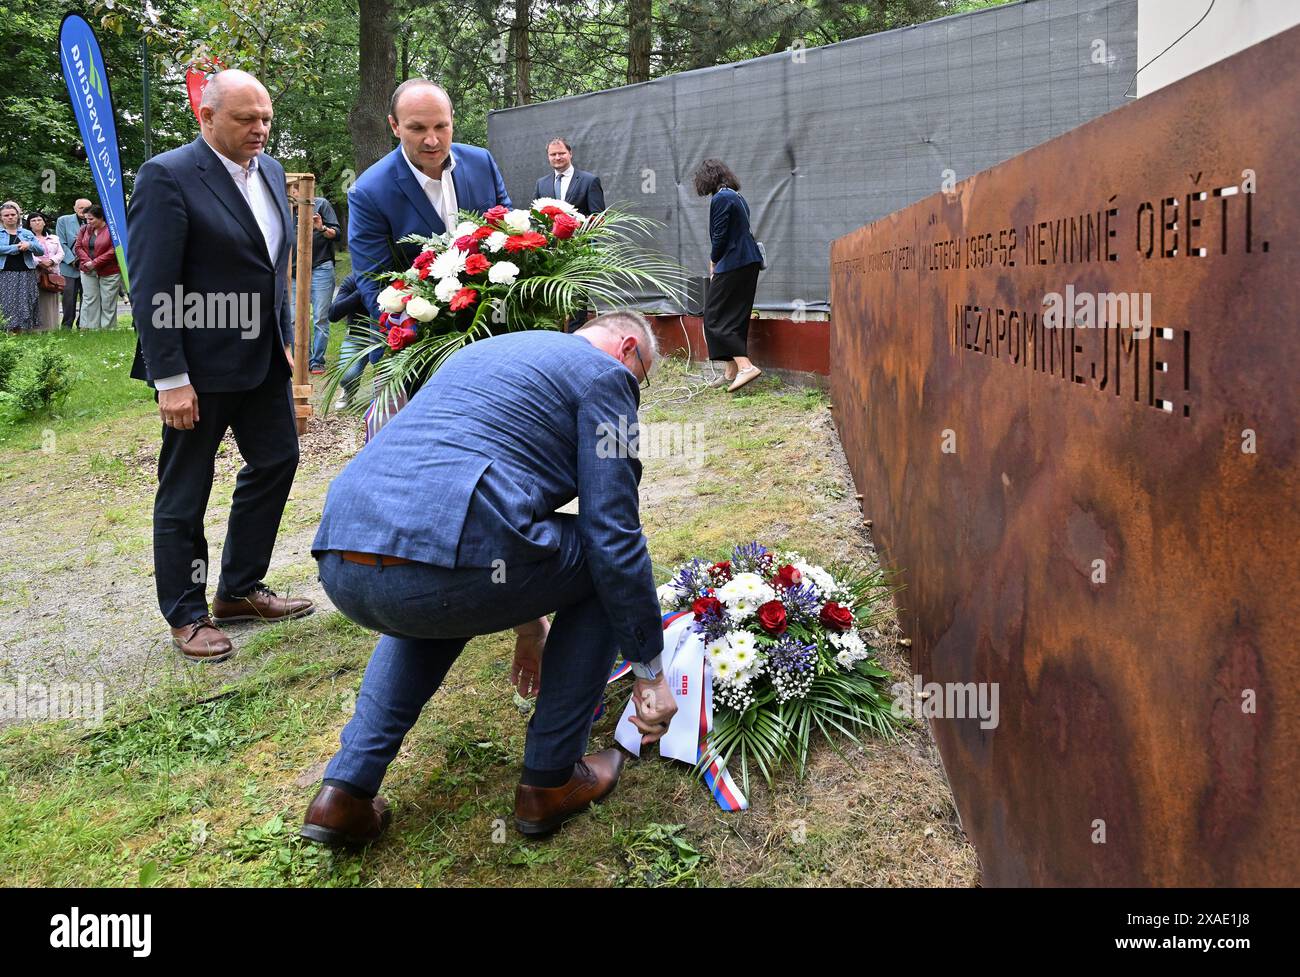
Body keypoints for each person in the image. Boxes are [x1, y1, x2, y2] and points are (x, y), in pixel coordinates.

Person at [301, 311, 677, 847]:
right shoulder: (605, 376)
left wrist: (529, 629)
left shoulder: (481, 354)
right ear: (626, 349)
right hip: (446, 561)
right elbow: (612, 535)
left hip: (344, 556)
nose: (633, 394)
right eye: (641, 382)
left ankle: (343, 794)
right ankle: (550, 780)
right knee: (600, 566)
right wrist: (649, 671)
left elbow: (459, 505)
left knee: (438, 574)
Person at [126, 68, 314, 664]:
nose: (260, 128)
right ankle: (186, 612)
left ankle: (237, 589)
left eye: (265, 118)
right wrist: (170, 379)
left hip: (261, 363)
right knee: (187, 487)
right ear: (205, 118)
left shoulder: (274, 172)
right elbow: (153, 285)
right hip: (198, 371)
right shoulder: (168, 176)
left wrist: (284, 341)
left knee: (278, 459)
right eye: (245, 119)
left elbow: (270, 270)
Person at [347, 78, 510, 322]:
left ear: (452, 119)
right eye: (418, 128)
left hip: (496, 322)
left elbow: (509, 236)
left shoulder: (482, 162)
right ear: (395, 126)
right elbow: (375, 285)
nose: (432, 140)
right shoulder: (368, 191)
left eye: (441, 126)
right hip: (422, 338)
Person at [694, 158, 763, 392]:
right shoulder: (736, 196)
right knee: (735, 316)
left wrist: (714, 260)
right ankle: (731, 371)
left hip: (733, 262)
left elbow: (720, 236)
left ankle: (745, 367)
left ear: (708, 177)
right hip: (748, 261)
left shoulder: (721, 198)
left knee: (714, 317)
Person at [535, 137, 606, 332]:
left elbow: (598, 218)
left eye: (561, 153)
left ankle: (575, 341)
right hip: (550, 254)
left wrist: (581, 236)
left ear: (570, 154)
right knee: (553, 300)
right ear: (548, 157)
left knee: (577, 303)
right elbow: (537, 217)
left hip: (578, 252)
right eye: (553, 154)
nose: (557, 157)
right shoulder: (541, 184)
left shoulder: (589, 181)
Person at [287, 193, 340, 375]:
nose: (293, 192)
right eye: (290, 188)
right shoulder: (284, 208)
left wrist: (321, 227)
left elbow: (336, 234)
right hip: (292, 272)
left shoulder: (320, 204)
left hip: (320, 268)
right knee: (294, 319)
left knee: (320, 317)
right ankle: (300, 359)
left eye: (296, 188)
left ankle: (317, 361)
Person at [328, 272, 382, 411]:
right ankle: (348, 390)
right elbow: (333, 314)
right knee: (347, 376)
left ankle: (384, 396)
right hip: (357, 336)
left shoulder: (393, 278)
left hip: (387, 338)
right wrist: (362, 291)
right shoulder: (353, 280)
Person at [73, 205, 122, 330]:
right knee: (89, 299)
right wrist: (88, 262)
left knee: (108, 301)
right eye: (86, 219)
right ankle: (89, 329)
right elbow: (78, 247)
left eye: (91, 219)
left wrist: (95, 262)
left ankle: (107, 330)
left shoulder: (112, 230)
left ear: (101, 218)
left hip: (109, 271)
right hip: (87, 270)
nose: (88, 222)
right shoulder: (84, 229)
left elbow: (114, 250)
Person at [0, 200, 43, 333]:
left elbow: (40, 250)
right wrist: (17, 247)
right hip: (6, 273)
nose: (10, 217)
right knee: (7, 303)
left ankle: (22, 331)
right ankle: (8, 330)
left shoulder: (27, 233)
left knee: (27, 302)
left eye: (13, 214)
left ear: (18, 216)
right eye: (6, 215)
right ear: (1, 217)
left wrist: (29, 245)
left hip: (26, 272)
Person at [55, 198, 91, 328]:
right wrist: (72, 261)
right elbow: (61, 243)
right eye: (81, 208)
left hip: (88, 266)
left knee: (87, 297)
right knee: (68, 298)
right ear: (75, 208)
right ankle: (67, 325)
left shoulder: (94, 221)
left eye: (87, 208)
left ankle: (83, 324)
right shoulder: (63, 220)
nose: (83, 211)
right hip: (68, 266)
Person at [26, 212, 64, 332]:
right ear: (29, 224)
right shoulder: (25, 238)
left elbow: (61, 253)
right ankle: (35, 329)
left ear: (44, 222)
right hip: (34, 272)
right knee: (35, 300)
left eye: (39, 220)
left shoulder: (54, 238)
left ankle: (51, 328)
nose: (37, 222)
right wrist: (40, 263)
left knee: (50, 300)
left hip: (51, 273)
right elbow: (27, 255)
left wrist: (51, 261)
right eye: (33, 220)